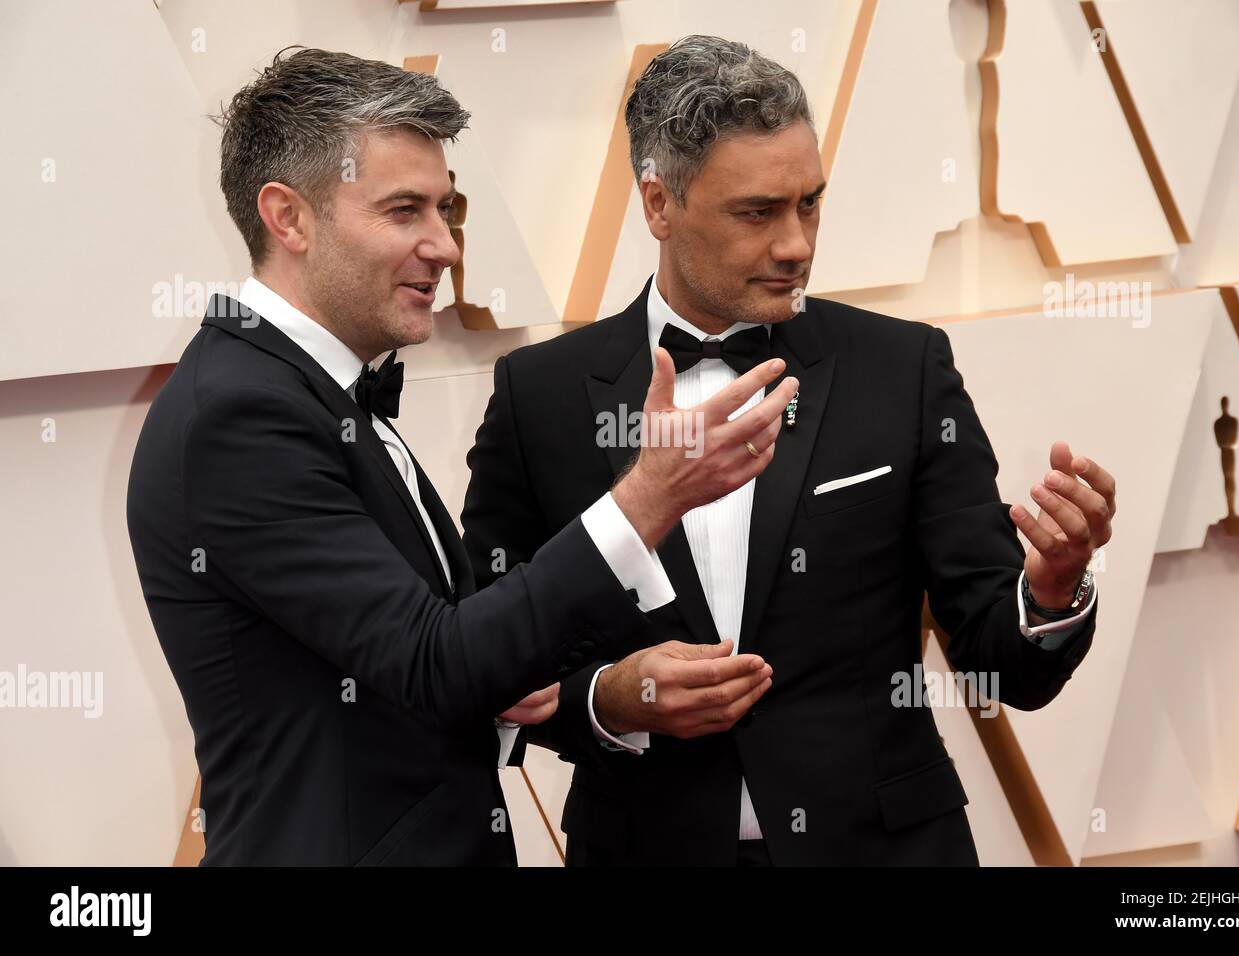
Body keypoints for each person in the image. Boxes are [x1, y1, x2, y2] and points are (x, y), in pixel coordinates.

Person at [125, 47, 796, 865]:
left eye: (447, 210)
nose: (444, 246)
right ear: (287, 217)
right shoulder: (239, 414)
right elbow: (436, 663)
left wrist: (544, 687)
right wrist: (648, 499)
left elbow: (442, 651)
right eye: (404, 210)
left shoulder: (316, 392)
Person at [462, 35, 1115, 865]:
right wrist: (609, 699)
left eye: (809, 203)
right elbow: (477, 653)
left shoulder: (904, 369)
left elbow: (1003, 663)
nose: (797, 244)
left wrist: (1051, 590)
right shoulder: (539, 396)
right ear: (659, 205)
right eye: (758, 212)